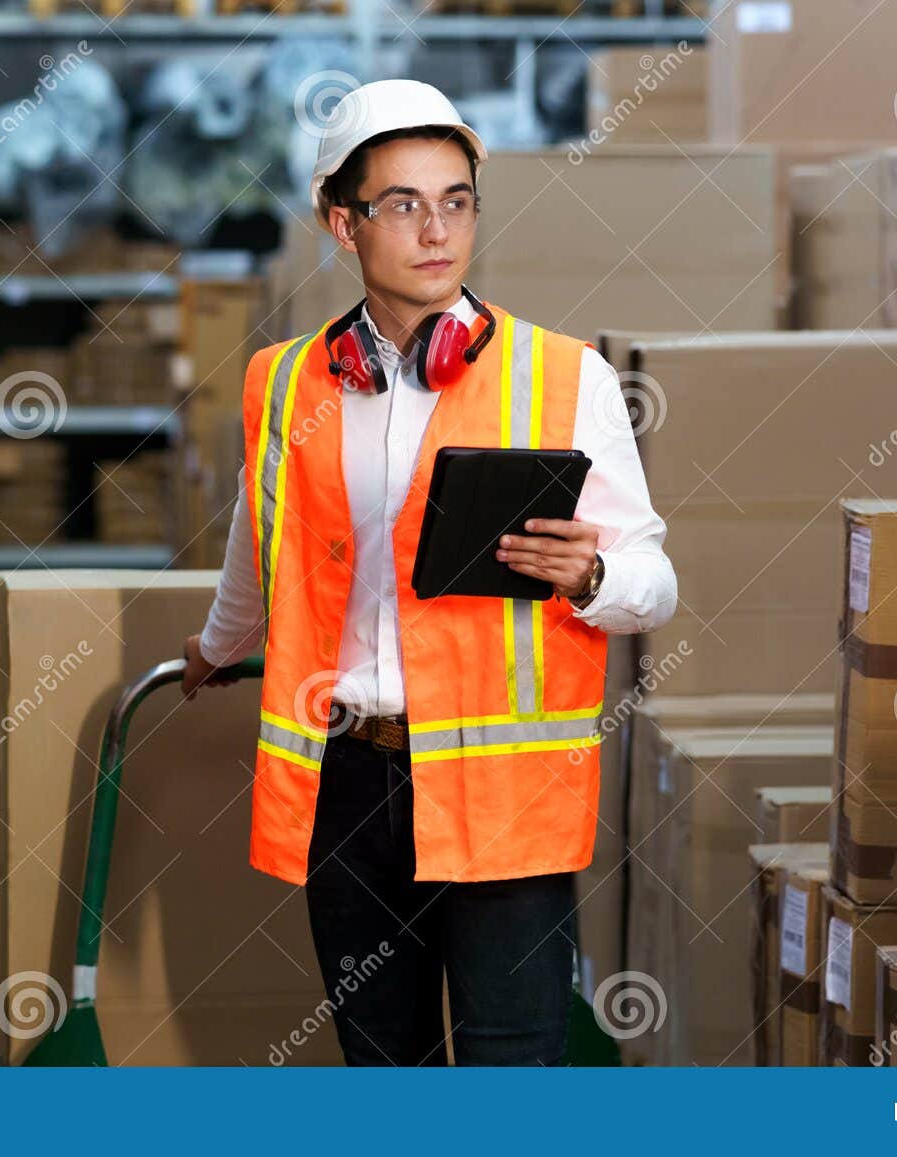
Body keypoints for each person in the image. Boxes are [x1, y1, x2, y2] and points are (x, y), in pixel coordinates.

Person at [181, 78, 677, 1066]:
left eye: (456, 200)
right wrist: (213, 647)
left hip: (503, 792)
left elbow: (654, 582)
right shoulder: (283, 382)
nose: (435, 228)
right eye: (401, 204)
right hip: (350, 782)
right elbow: (260, 540)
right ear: (342, 222)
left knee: (509, 1063)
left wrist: (590, 576)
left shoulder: (561, 376)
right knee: (384, 1061)